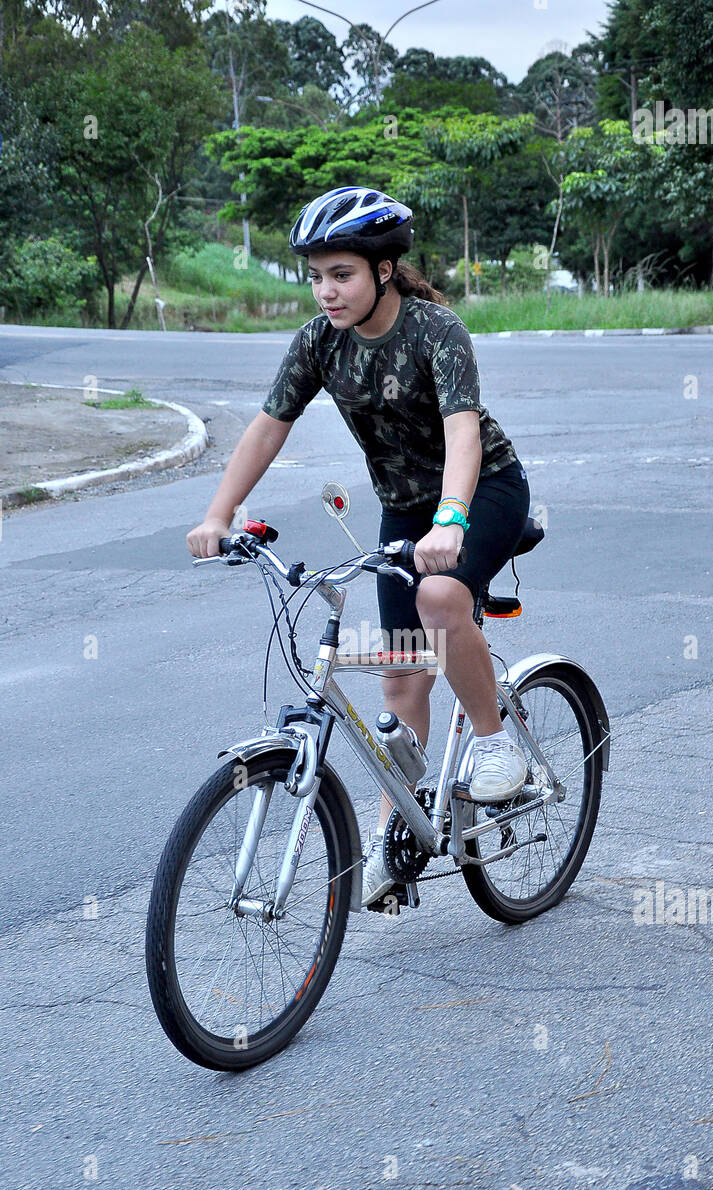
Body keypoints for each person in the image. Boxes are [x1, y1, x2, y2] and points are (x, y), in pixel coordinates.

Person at [187, 185, 532, 908]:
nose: (324, 290)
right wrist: (220, 513)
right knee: (402, 679)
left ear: (380, 271)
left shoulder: (437, 331)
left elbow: (462, 432)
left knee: (440, 598)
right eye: (314, 276)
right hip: (405, 511)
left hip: (483, 492)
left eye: (339, 273)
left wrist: (450, 522)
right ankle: (393, 838)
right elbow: (268, 425)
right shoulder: (319, 341)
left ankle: (495, 742)